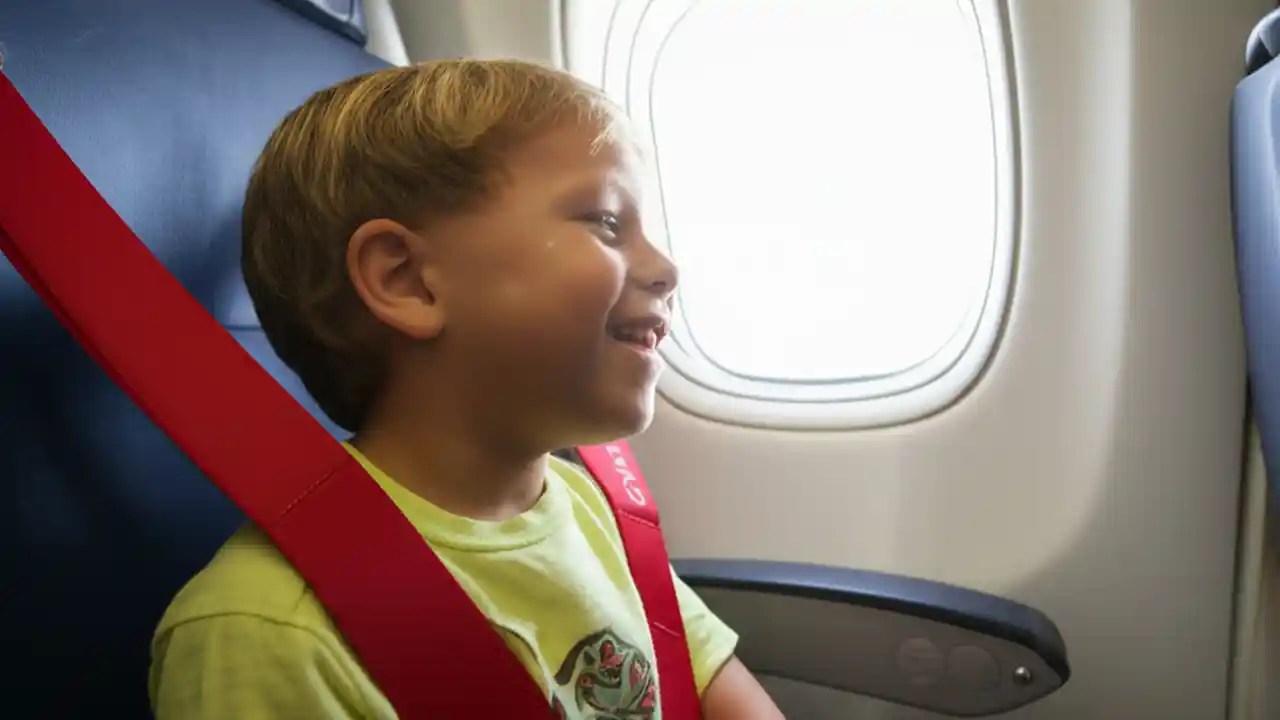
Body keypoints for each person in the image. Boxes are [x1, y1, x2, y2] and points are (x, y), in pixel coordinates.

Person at [147, 59, 783, 718]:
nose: (666, 268)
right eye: (604, 222)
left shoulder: (589, 507)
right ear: (408, 281)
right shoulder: (272, 634)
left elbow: (705, 684)